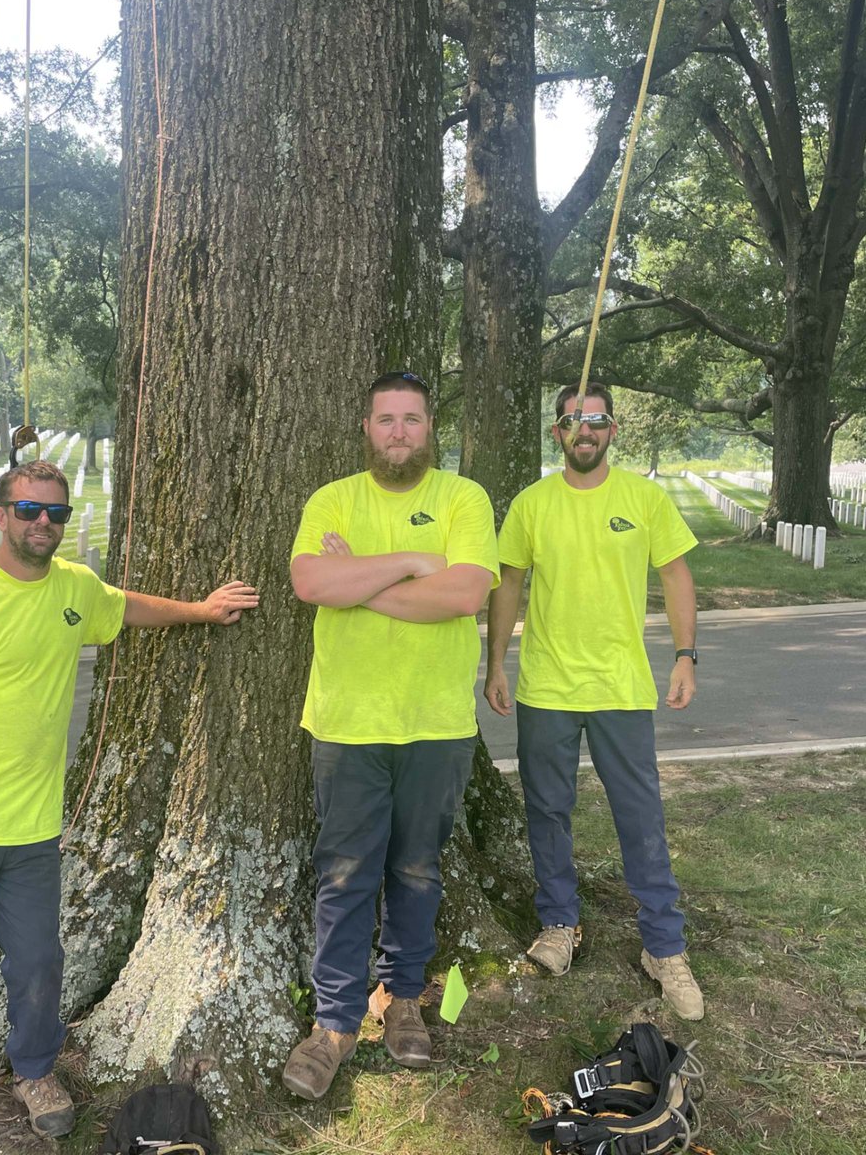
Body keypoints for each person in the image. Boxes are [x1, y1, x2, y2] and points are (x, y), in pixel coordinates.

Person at [0, 459, 258, 1155]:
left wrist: (203, 611)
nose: (41, 524)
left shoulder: (74, 589)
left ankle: (33, 1069)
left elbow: (129, 605)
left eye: (55, 513)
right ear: (0, 515)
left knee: (37, 963)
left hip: (30, 829)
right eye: (27, 510)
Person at [281, 372, 498, 1100]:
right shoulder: (333, 499)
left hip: (435, 722)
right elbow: (311, 584)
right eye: (385, 419)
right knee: (343, 874)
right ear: (366, 428)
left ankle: (403, 998)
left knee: (415, 869)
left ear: (429, 427)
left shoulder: (462, 499)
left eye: (411, 419)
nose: (398, 431)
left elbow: (466, 593)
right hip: (347, 722)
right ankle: (335, 1024)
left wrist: (361, 580)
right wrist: (410, 564)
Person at [483, 382, 705, 1020]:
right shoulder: (531, 505)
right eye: (573, 421)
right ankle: (560, 923)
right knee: (547, 811)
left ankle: (664, 947)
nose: (586, 431)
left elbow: (677, 574)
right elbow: (509, 585)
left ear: (613, 430)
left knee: (641, 818)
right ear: (557, 432)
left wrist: (686, 655)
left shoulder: (643, 497)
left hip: (620, 689)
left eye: (597, 420)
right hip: (547, 688)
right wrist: (495, 661)